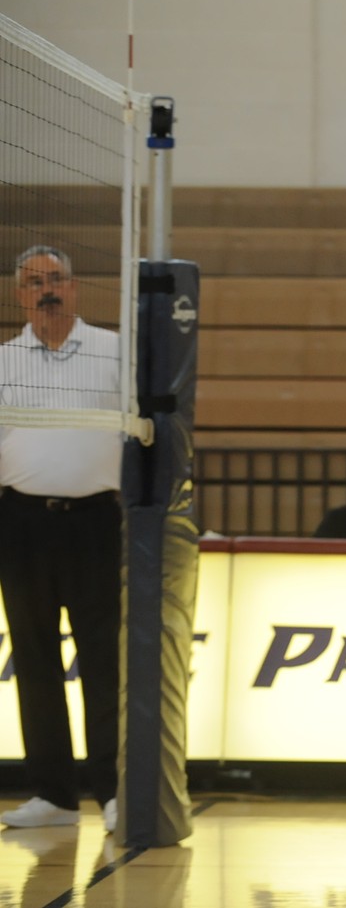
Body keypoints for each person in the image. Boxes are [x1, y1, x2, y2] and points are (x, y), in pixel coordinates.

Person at [0, 245, 122, 832]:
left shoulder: (114, 352)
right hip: (21, 526)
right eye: (34, 282)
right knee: (35, 658)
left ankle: (115, 790)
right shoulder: (3, 361)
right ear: (19, 294)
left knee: (102, 658)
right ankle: (54, 795)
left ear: (74, 289)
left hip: (96, 523)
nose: (47, 289)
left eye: (56, 280)